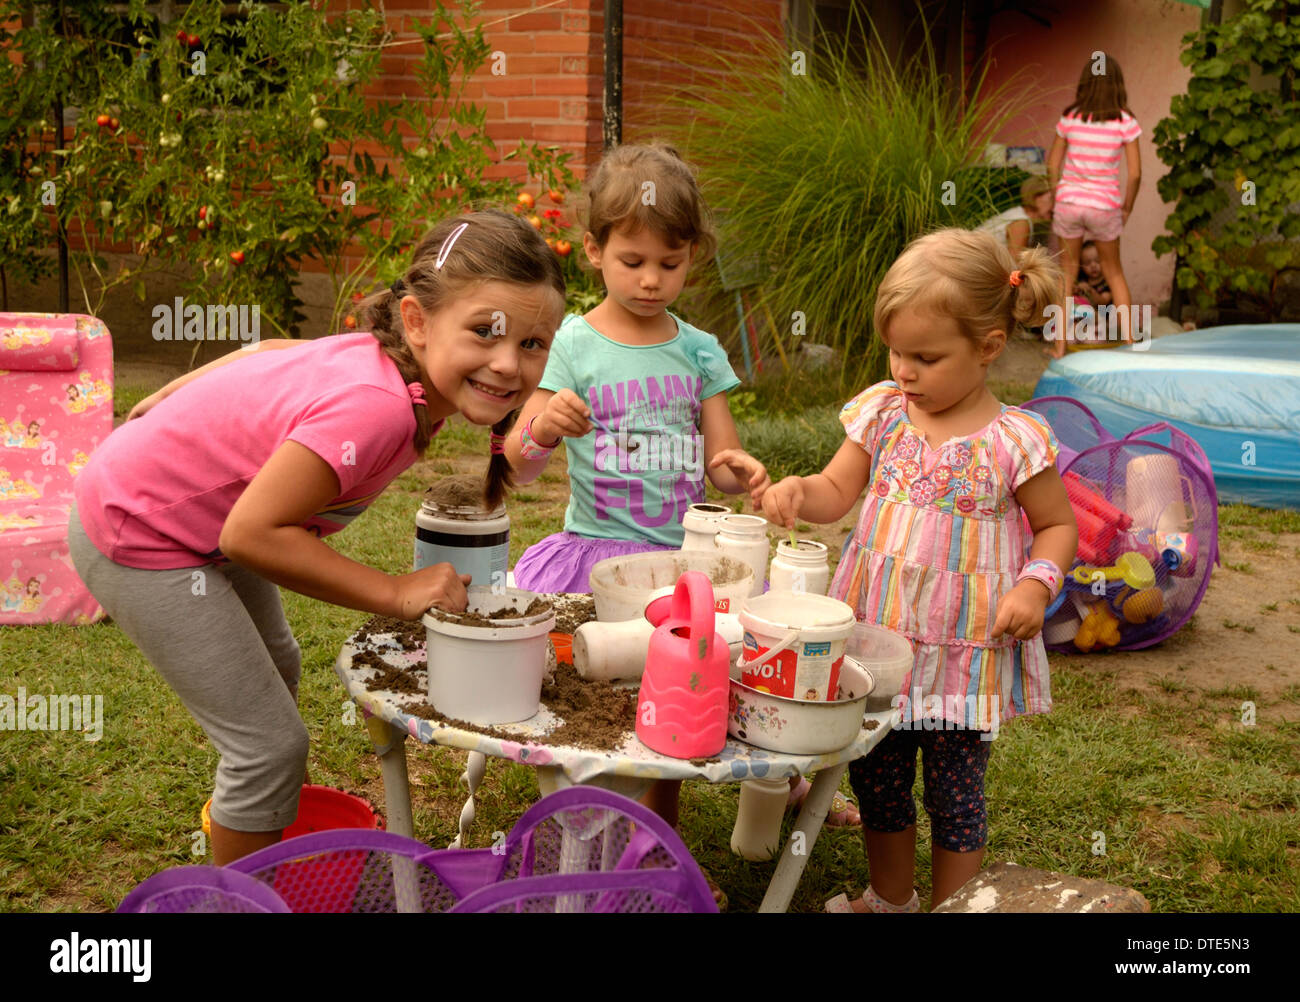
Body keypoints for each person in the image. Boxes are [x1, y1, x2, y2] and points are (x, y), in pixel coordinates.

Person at [69, 210, 566, 866]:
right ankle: (241, 901)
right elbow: (252, 534)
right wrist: (395, 591)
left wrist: (183, 388)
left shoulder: (398, 369)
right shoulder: (380, 406)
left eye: (534, 343)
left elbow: (279, 354)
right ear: (416, 321)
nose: (509, 365)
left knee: (280, 666)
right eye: (485, 332)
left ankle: (271, 837)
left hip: (193, 520)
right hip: (140, 527)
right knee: (268, 747)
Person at [761, 228, 1078, 913]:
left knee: (956, 792)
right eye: (896, 352)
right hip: (882, 647)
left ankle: (954, 908)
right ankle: (891, 897)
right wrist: (797, 491)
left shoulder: (1013, 443)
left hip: (966, 657)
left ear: (989, 347)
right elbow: (835, 490)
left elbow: (1057, 526)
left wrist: (1036, 583)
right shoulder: (882, 414)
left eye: (926, 358)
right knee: (876, 779)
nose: (904, 370)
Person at [1046, 52, 1141, 357]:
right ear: (1117, 84)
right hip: (1104, 206)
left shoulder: (1071, 116)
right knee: (1114, 272)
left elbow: (1052, 165)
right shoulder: (1125, 121)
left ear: (1085, 83)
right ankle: (1129, 343)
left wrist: (1056, 194)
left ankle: (1059, 348)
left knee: (1067, 273)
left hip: (1069, 202)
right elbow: (1136, 173)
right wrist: (1126, 207)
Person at [977, 175, 1052, 256]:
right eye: (1051, 198)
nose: (1055, 206)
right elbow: (1013, 264)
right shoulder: (1021, 222)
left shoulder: (1018, 214)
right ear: (1035, 197)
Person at [1074, 241, 1113, 307]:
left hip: (1104, 314)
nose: (1093, 266)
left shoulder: (1108, 282)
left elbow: (1103, 301)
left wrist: (1089, 290)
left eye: (1098, 261)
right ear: (1081, 266)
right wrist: (1076, 289)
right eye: (1087, 263)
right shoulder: (1081, 278)